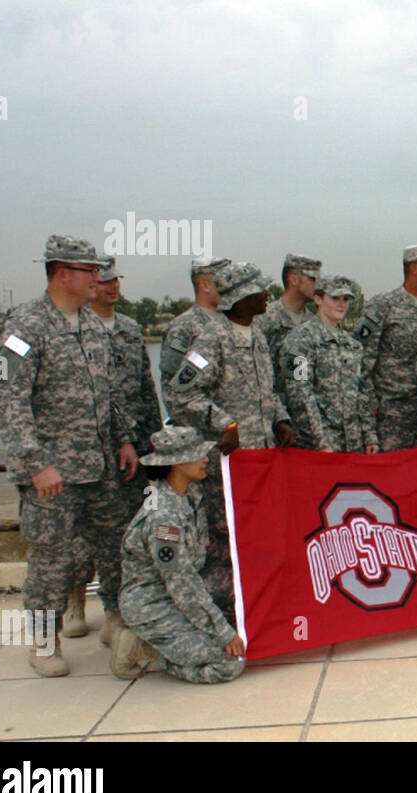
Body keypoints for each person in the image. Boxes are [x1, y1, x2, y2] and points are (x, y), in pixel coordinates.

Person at [0, 234, 140, 676]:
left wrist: (126, 440)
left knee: (117, 549)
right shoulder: (23, 327)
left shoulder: (92, 325)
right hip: (53, 474)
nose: (98, 277)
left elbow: (109, 394)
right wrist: (36, 463)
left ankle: (117, 622)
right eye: (89, 270)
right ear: (61, 273)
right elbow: (9, 401)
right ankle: (43, 642)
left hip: (101, 467)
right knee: (53, 561)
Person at [166, 261, 297, 619]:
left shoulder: (256, 336)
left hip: (262, 460)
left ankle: (260, 609)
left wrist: (281, 419)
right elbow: (181, 395)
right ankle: (221, 619)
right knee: (223, 544)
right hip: (227, 464)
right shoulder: (212, 338)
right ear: (240, 298)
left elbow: (266, 392)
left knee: (262, 536)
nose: (267, 295)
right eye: (259, 290)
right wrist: (224, 422)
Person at [63, 259, 163, 640]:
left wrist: (151, 435)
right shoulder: (70, 327)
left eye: (114, 280)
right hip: (77, 451)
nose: (111, 286)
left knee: (119, 531)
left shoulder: (130, 329)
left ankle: (116, 612)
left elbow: (143, 385)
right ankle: (73, 601)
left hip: (128, 445)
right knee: (75, 537)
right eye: (103, 280)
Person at [113, 425, 246, 683]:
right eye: (198, 455)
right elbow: (181, 582)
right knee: (228, 662)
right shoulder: (164, 519)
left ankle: (164, 643)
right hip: (154, 604)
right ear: (176, 463)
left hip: (179, 595)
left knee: (240, 619)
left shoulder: (189, 494)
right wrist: (223, 633)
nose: (206, 459)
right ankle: (148, 651)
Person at [358, 245, 417, 451]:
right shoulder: (382, 306)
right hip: (391, 418)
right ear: (415, 268)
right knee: (390, 479)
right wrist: (370, 408)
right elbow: (362, 362)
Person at [280, 275, 379, 453]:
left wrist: (370, 436)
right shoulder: (300, 340)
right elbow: (299, 393)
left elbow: (363, 393)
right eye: (334, 298)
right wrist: (320, 441)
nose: (342, 304)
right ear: (318, 299)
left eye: (346, 299)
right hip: (319, 445)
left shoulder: (353, 345)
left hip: (353, 443)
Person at [255, 252, 321, 403]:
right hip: (274, 411)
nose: (318, 285)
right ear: (294, 280)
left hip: (307, 409)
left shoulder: (314, 323)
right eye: (312, 279)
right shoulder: (265, 319)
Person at [160, 257, 230, 391]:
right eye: (223, 280)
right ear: (205, 286)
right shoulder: (183, 327)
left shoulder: (231, 321)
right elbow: (173, 387)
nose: (229, 286)